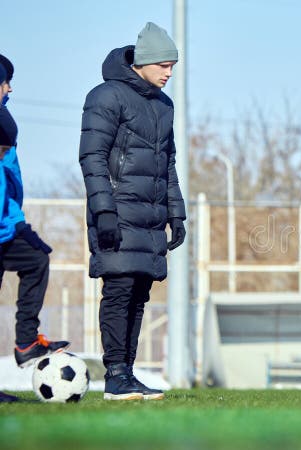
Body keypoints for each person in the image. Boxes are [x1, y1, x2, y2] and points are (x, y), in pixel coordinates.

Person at [78, 22, 186, 401]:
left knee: (140, 294)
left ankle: (127, 374)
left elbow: (168, 162)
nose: (169, 73)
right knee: (119, 290)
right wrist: (103, 210)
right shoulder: (106, 96)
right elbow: (92, 156)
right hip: (118, 212)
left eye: (173, 66)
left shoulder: (164, 105)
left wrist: (176, 212)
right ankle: (114, 375)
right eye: (163, 65)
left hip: (151, 217)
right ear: (142, 62)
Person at [0, 55, 69, 403]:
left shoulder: (5, 121)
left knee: (37, 259)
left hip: (5, 228)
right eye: (5, 82)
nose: (10, 89)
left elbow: (8, 183)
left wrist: (17, 223)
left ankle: (27, 342)